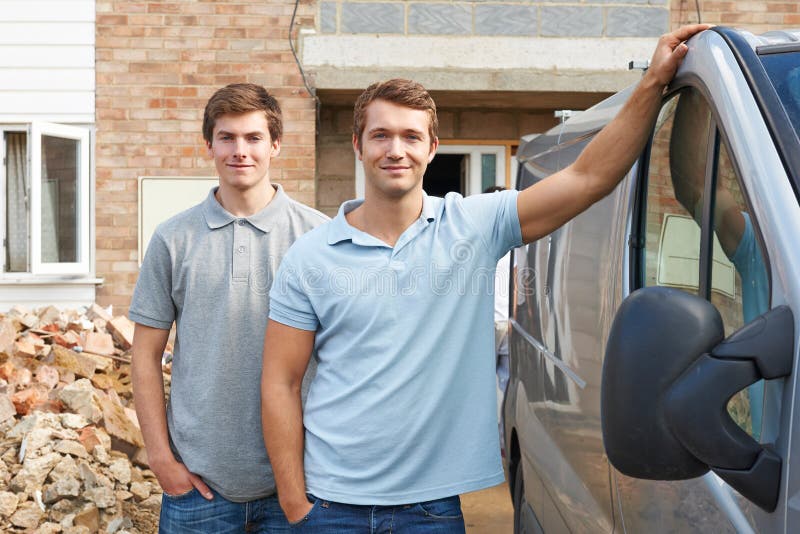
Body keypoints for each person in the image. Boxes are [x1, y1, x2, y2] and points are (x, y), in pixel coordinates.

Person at [261, 25, 710, 533]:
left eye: (411, 136)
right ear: (358, 145)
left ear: (432, 147)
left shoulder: (473, 224)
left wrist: (652, 84)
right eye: (380, 135)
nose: (395, 150)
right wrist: (296, 502)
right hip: (329, 505)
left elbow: (588, 178)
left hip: (430, 509)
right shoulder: (311, 256)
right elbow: (281, 380)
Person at [130, 83, 327, 533]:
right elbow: (143, 354)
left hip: (300, 486)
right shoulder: (172, 238)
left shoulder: (319, 238)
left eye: (254, 138)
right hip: (198, 489)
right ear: (209, 145)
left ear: (275, 145)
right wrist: (160, 458)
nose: (240, 151)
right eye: (227, 138)